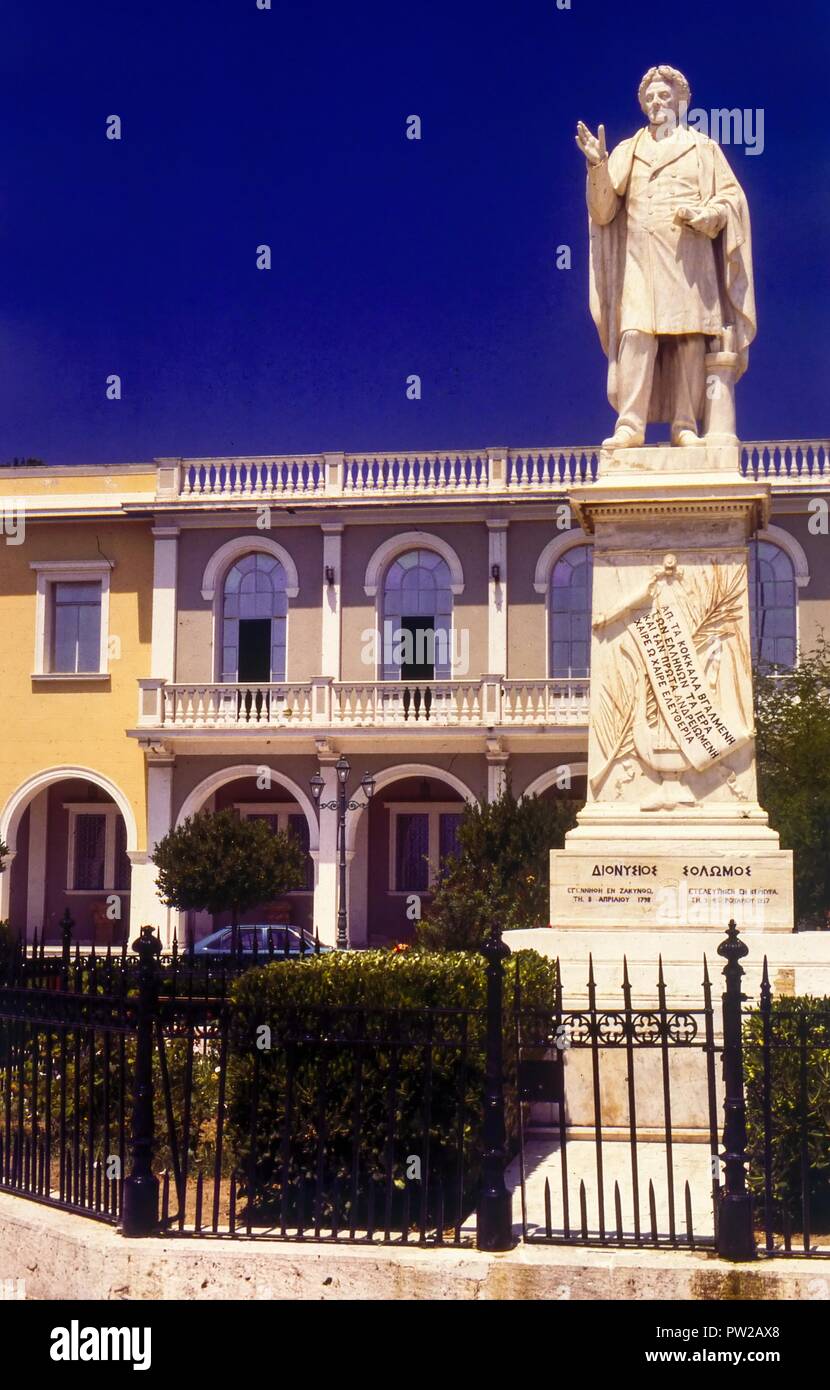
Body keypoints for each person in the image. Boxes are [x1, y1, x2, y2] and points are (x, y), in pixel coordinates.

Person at [576, 65, 755, 448]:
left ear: (680, 102)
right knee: (636, 334)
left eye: (665, 97)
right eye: (651, 98)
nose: (657, 103)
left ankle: (685, 425)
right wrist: (597, 166)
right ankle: (630, 425)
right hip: (640, 260)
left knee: (689, 338)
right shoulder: (628, 150)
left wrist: (709, 215)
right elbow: (603, 212)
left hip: (689, 257)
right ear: (643, 104)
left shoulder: (703, 149)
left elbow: (731, 199)